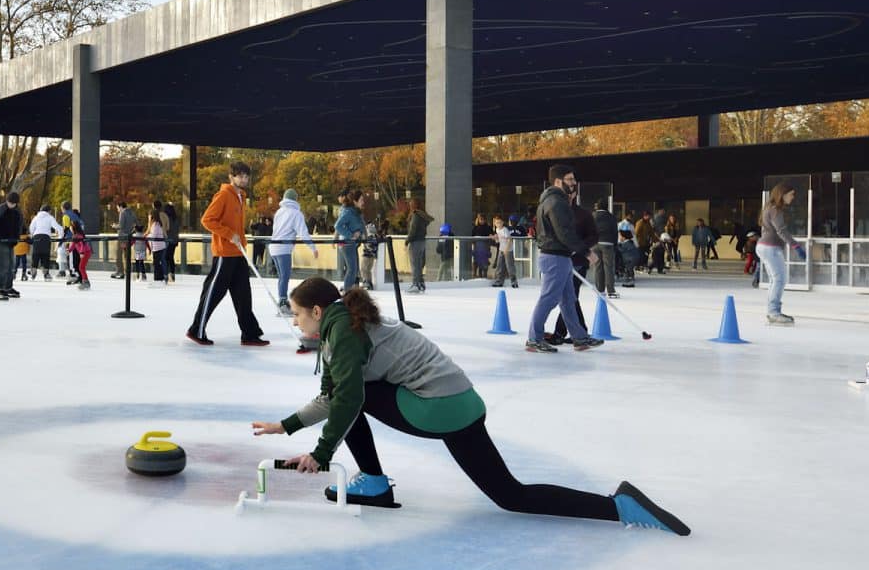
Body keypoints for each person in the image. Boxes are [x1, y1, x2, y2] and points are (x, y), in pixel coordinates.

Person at [249, 278, 689, 535]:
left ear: (317, 309)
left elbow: (345, 399)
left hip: (435, 406)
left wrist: (319, 453)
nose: (295, 322)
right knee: (510, 494)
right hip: (461, 403)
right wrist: (287, 426)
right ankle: (619, 507)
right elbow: (337, 394)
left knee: (355, 400)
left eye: (296, 314)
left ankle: (376, 484)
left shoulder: (342, 333)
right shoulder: (348, 321)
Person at [186, 161, 268, 347]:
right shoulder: (224, 195)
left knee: (243, 294)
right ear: (231, 177)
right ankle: (196, 329)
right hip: (225, 253)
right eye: (240, 176)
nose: (244, 179)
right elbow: (207, 220)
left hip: (238, 253)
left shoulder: (240, 197)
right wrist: (230, 235)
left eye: (246, 176)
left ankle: (250, 333)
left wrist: (240, 240)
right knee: (214, 292)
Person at [526, 165, 602, 353]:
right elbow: (565, 233)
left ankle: (579, 338)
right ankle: (534, 339)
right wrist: (586, 252)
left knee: (568, 299)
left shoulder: (553, 201)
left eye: (573, 179)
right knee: (549, 298)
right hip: (554, 258)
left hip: (560, 256)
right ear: (558, 181)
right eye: (569, 179)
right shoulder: (556, 203)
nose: (573, 183)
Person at [757, 183, 806, 325]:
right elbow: (781, 230)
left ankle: (773, 311)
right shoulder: (775, 210)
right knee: (779, 279)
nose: (793, 197)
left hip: (765, 247)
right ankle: (773, 312)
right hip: (770, 247)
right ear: (782, 194)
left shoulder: (770, 208)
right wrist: (796, 245)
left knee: (775, 280)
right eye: (791, 194)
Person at [268, 189, 316, 311]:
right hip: (283, 248)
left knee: (281, 276)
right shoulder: (296, 213)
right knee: (285, 276)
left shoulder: (279, 212)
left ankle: (282, 299)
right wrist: (313, 247)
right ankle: (283, 302)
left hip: (274, 247)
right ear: (295, 199)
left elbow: (275, 229)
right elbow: (303, 233)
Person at [0, 191, 24, 300]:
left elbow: (20, 225)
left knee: (11, 264)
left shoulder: (18, 211)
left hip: (10, 241)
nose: (11, 205)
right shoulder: (0, 209)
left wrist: (20, 236)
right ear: (6, 201)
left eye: (13, 203)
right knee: (4, 265)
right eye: (9, 202)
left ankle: (8, 287)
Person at [333, 190, 365, 293]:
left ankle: (350, 291)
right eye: (361, 200)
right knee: (352, 270)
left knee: (353, 270)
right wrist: (351, 235)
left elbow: (360, 226)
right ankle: (346, 293)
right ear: (355, 201)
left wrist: (363, 235)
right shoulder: (349, 212)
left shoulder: (355, 212)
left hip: (351, 244)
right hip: (347, 243)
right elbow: (338, 225)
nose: (363, 202)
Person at [589, 201, 618, 298]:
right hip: (607, 243)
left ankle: (599, 290)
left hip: (595, 243)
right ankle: (610, 290)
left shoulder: (592, 216)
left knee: (598, 267)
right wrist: (615, 244)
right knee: (608, 267)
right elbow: (615, 231)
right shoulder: (611, 217)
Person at [27, 203, 61, 280]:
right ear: (48, 211)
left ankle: (33, 271)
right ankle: (46, 273)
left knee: (35, 254)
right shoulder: (50, 217)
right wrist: (61, 235)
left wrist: (32, 234)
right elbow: (57, 227)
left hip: (37, 237)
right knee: (45, 255)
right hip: (46, 237)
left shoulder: (36, 217)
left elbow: (31, 227)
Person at [404, 203, 432, 294]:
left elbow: (413, 229)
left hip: (415, 242)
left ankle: (416, 284)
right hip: (422, 242)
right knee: (419, 263)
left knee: (415, 264)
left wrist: (407, 240)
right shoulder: (423, 216)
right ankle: (420, 283)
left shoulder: (416, 215)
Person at [490, 214, 518, 289]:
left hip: (508, 250)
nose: (498, 224)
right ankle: (499, 281)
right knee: (500, 265)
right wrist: (495, 238)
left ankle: (514, 282)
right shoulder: (497, 230)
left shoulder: (505, 230)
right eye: (497, 223)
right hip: (501, 249)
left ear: (503, 222)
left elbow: (509, 240)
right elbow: (499, 241)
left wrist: (506, 250)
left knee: (509, 266)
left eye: (500, 222)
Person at [111, 200, 137, 278]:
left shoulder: (122, 213)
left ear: (121, 207)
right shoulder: (131, 213)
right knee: (127, 256)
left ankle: (120, 271)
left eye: (118, 208)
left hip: (122, 237)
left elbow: (121, 226)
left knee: (118, 254)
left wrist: (114, 226)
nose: (117, 210)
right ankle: (128, 271)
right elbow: (135, 223)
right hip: (129, 237)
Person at [146, 209, 168, 283]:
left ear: (152, 216)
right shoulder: (156, 223)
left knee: (156, 263)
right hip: (158, 246)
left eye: (149, 215)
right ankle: (160, 278)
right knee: (157, 263)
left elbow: (154, 235)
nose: (148, 217)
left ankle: (158, 279)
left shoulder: (155, 224)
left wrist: (147, 235)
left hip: (158, 247)